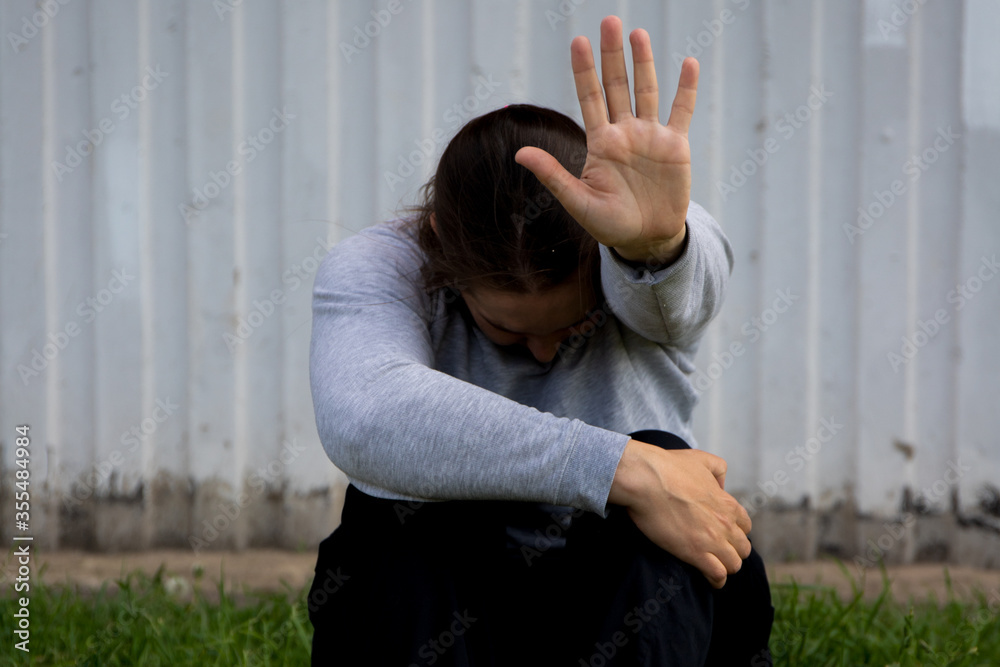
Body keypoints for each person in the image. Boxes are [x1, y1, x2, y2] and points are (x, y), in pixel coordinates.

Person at [307, 14, 773, 666]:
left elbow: (679, 298)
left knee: (663, 503)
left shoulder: (644, 246)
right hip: (455, 616)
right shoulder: (379, 265)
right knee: (397, 523)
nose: (546, 351)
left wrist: (653, 247)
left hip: (623, 614)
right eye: (508, 329)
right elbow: (365, 417)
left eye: (574, 325)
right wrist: (626, 470)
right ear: (440, 249)